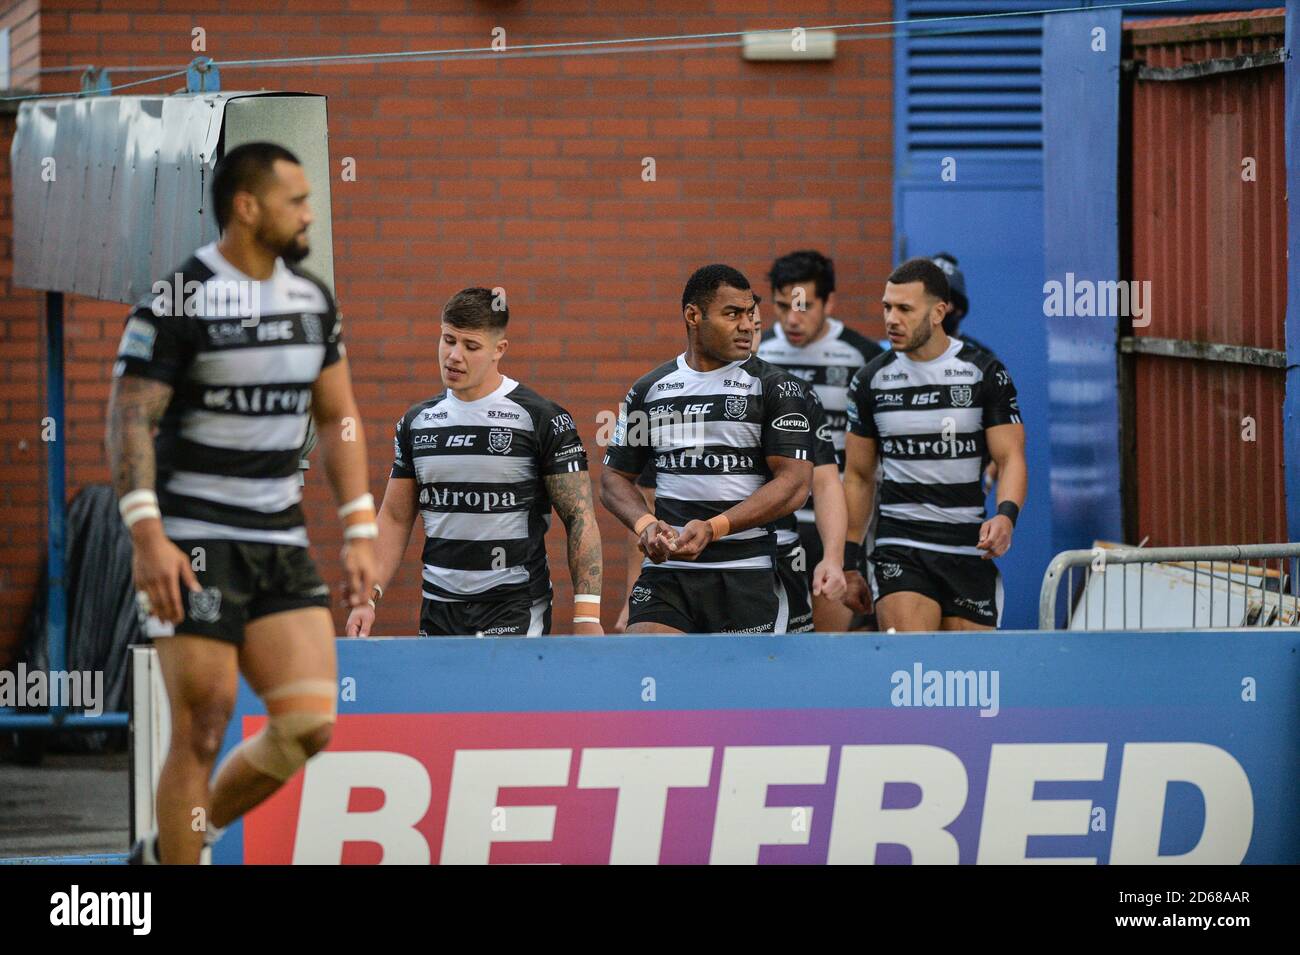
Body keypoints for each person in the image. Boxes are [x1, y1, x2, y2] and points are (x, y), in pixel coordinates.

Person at [108, 142, 377, 864]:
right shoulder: (180, 296)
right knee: (203, 725)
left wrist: (358, 527)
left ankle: (172, 847)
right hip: (193, 537)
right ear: (247, 207)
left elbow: (338, 416)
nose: (309, 211)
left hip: (280, 537)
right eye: (296, 199)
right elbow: (131, 418)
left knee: (308, 725)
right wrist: (147, 536)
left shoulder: (313, 299)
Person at [346, 288, 602, 638]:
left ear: (499, 350)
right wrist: (367, 599)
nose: (454, 356)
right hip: (438, 607)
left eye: (470, 346)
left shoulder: (540, 417)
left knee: (499, 695)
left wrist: (587, 615)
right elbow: (394, 516)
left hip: (514, 605)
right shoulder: (416, 422)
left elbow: (580, 516)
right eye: (448, 340)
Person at [600, 264, 813, 634]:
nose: (747, 325)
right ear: (693, 316)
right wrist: (646, 525)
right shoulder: (648, 388)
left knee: (732, 692)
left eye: (750, 314)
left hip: (744, 575)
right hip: (667, 576)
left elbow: (795, 485)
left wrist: (714, 528)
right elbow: (613, 479)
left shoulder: (778, 388)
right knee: (648, 669)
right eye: (732, 314)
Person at [841, 258, 1027, 631]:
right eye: (886, 307)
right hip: (901, 545)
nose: (891, 319)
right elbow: (859, 477)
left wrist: (1006, 516)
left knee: (966, 676)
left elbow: (1010, 458)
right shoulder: (870, 380)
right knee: (913, 661)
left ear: (939, 312)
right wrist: (849, 561)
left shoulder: (984, 372)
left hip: (967, 546)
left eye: (904, 309)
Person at [758, 250, 882, 630]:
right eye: (782, 306)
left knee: (829, 644)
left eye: (805, 307)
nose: (792, 319)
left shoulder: (864, 359)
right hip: (776, 522)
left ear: (830, 301)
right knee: (775, 640)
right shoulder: (756, 353)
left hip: (837, 521)